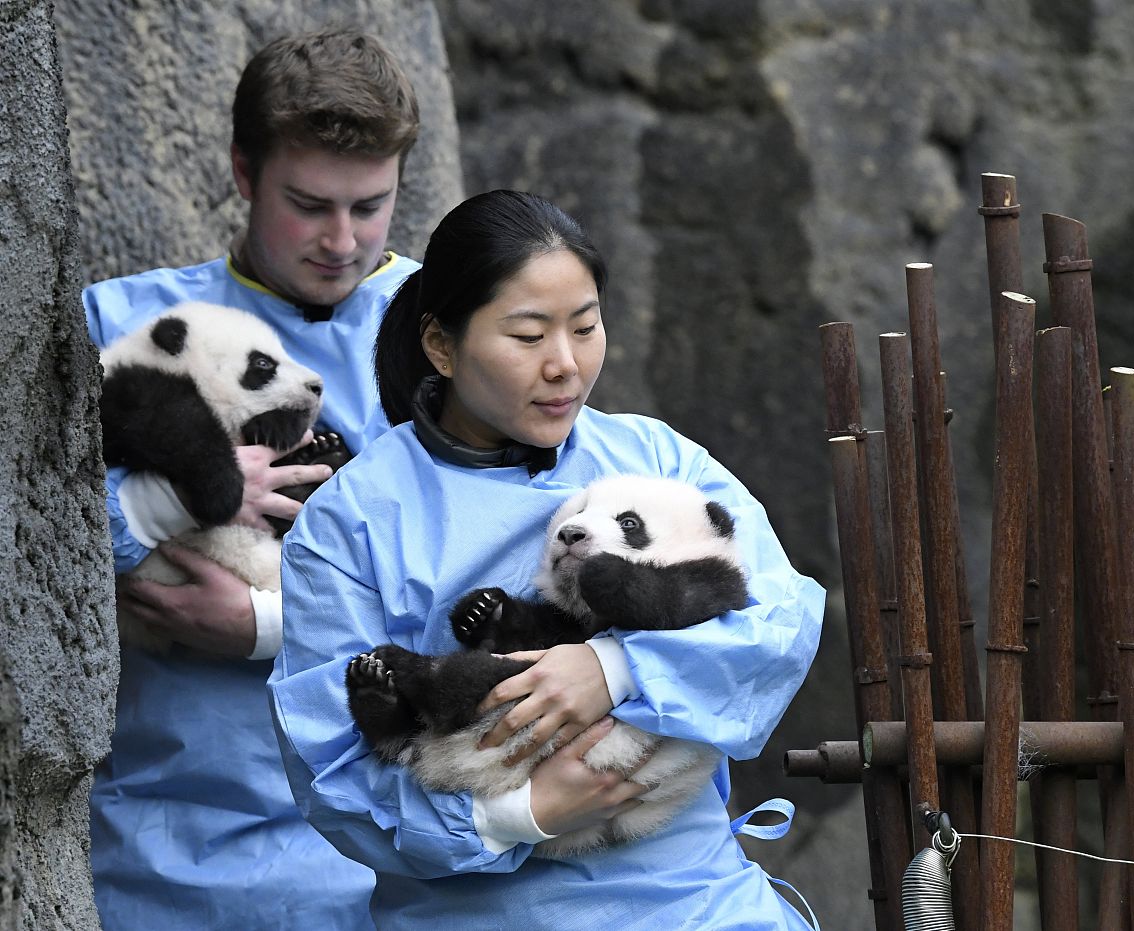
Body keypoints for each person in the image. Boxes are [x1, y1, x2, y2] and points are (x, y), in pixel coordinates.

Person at [268, 189, 826, 928]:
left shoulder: (654, 457)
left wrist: (615, 668)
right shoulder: (354, 519)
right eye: (529, 335)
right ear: (442, 344)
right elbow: (329, 768)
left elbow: (780, 620)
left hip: (698, 902)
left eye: (585, 327)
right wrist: (516, 814)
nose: (565, 364)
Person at [84, 29, 421, 929]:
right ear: (243, 171)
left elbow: (498, 583)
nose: (341, 241)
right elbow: (33, 542)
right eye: (308, 204)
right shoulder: (124, 320)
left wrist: (268, 626)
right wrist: (168, 496)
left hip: (390, 848)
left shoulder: (455, 338)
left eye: (370, 205)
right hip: (166, 837)